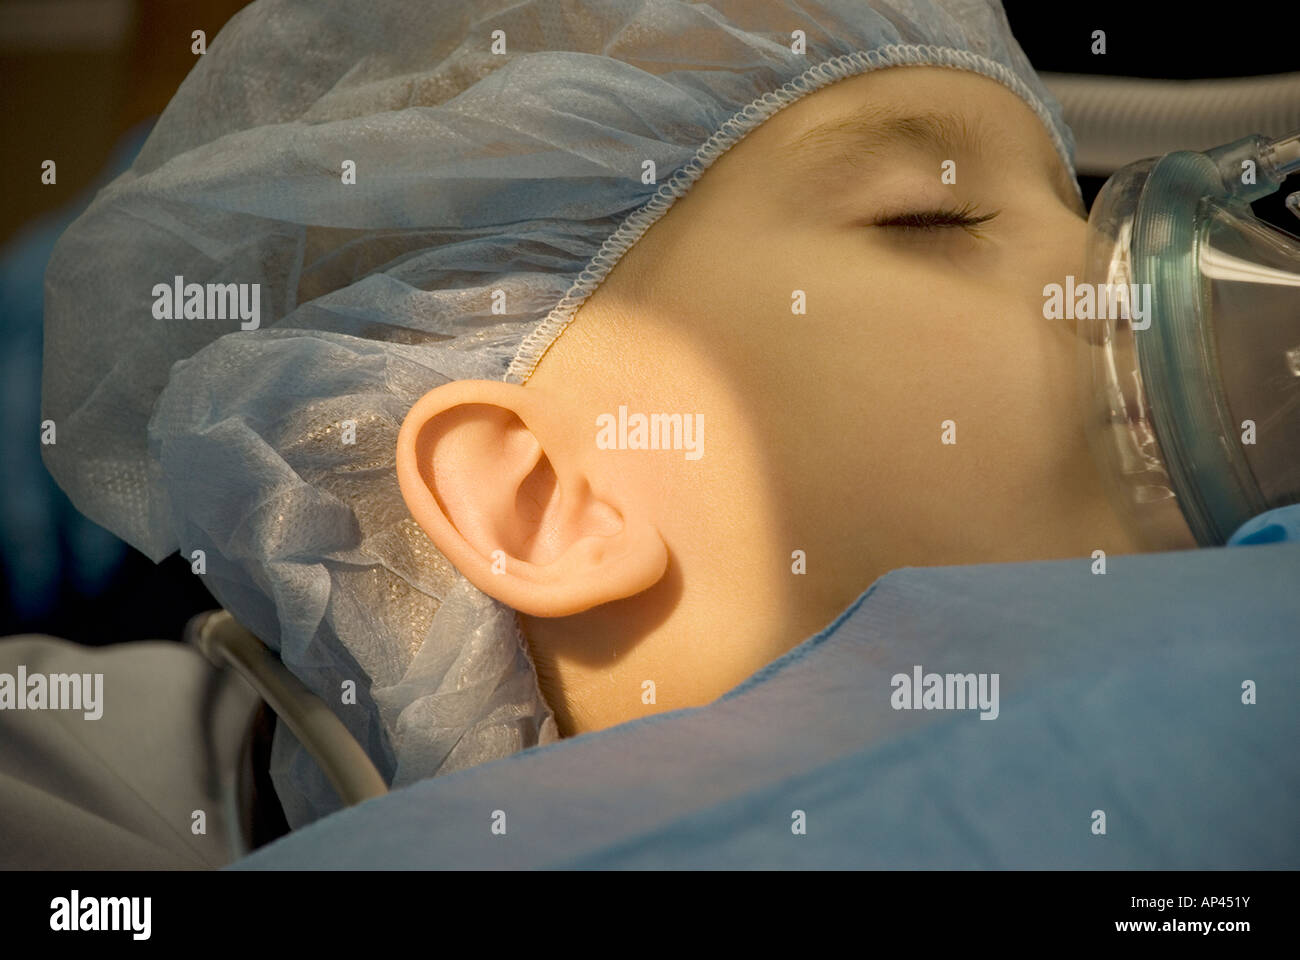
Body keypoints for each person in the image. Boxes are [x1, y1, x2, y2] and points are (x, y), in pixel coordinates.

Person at [28, 0, 1139, 851]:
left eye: (1082, 206)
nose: (1116, 265)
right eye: (932, 216)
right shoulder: (83, 808)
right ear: (540, 498)